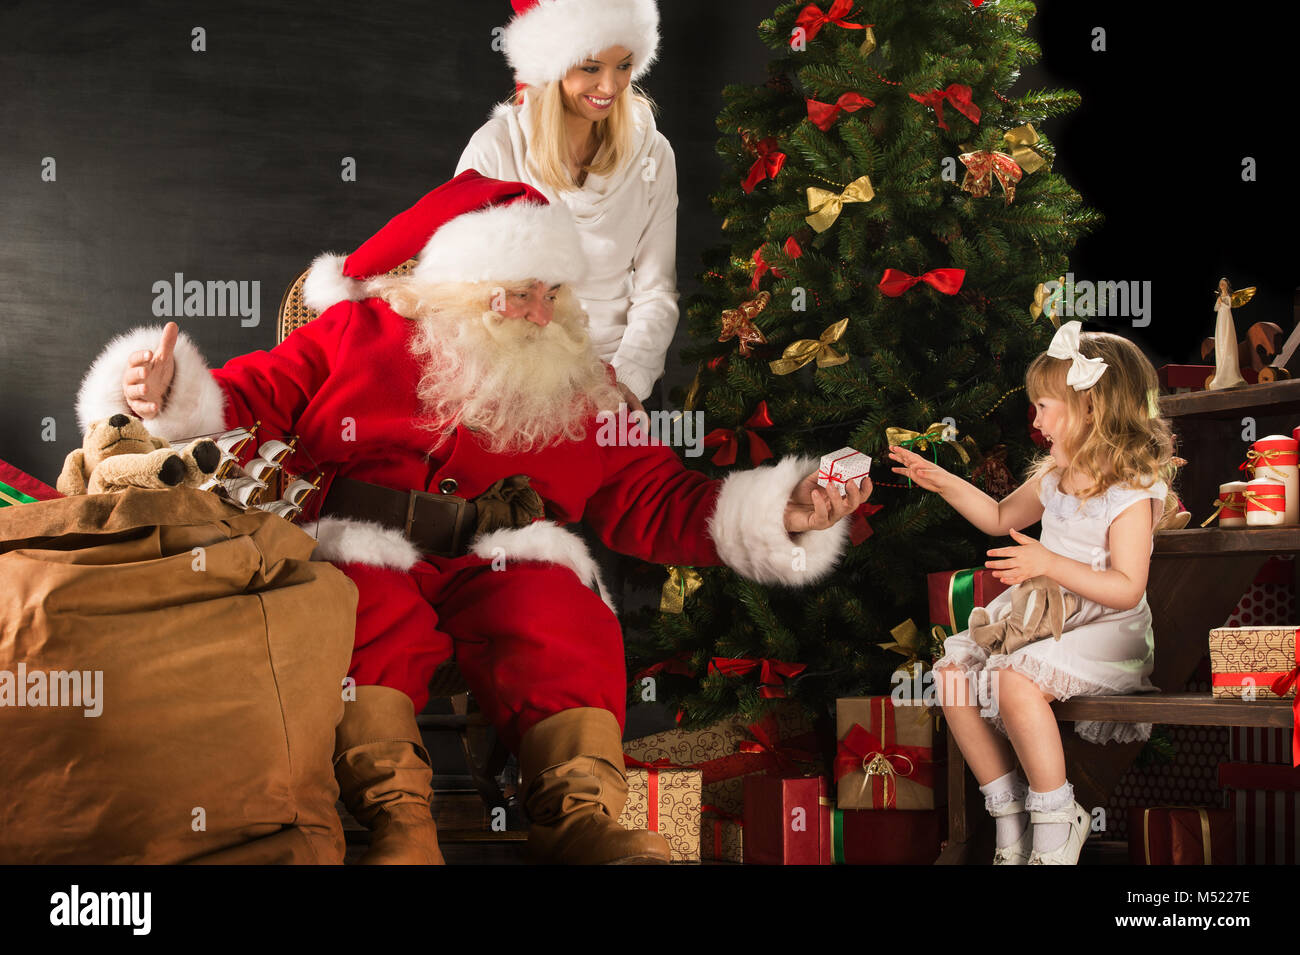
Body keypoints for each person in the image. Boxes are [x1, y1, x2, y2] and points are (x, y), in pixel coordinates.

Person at [75, 170, 868, 865]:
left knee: (559, 608)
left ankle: (581, 819)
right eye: (517, 291)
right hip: (360, 537)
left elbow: (656, 497)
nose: (537, 311)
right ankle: (398, 821)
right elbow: (242, 401)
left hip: (504, 551)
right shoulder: (354, 333)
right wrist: (163, 394)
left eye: (551, 290)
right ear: (455, 287)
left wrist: (784, 511)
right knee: (361, 604)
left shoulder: (581, 383)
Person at [888, 321, 1176, 866]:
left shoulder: (1132, 493)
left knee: (1013, 681)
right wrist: (944, 480)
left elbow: (1126, 588)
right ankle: (1009, 818)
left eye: (1045, 407)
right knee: (951, 675)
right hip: (1048, 619)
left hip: (1109, 631)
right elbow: (999, 518)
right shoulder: (1053, 478)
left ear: (1091, 410)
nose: (1036, 420)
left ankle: (1056, 816)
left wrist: (1047, 562)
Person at [454, 0, 676, 412]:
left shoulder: (653, 153)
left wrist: (624, 381)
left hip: (624, 381)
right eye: (590, 68)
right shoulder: (496, 148)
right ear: (551, 66)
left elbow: (656, 290)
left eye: (624, 66)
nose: (610, 87)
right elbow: (463, 294)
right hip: (520, 384)